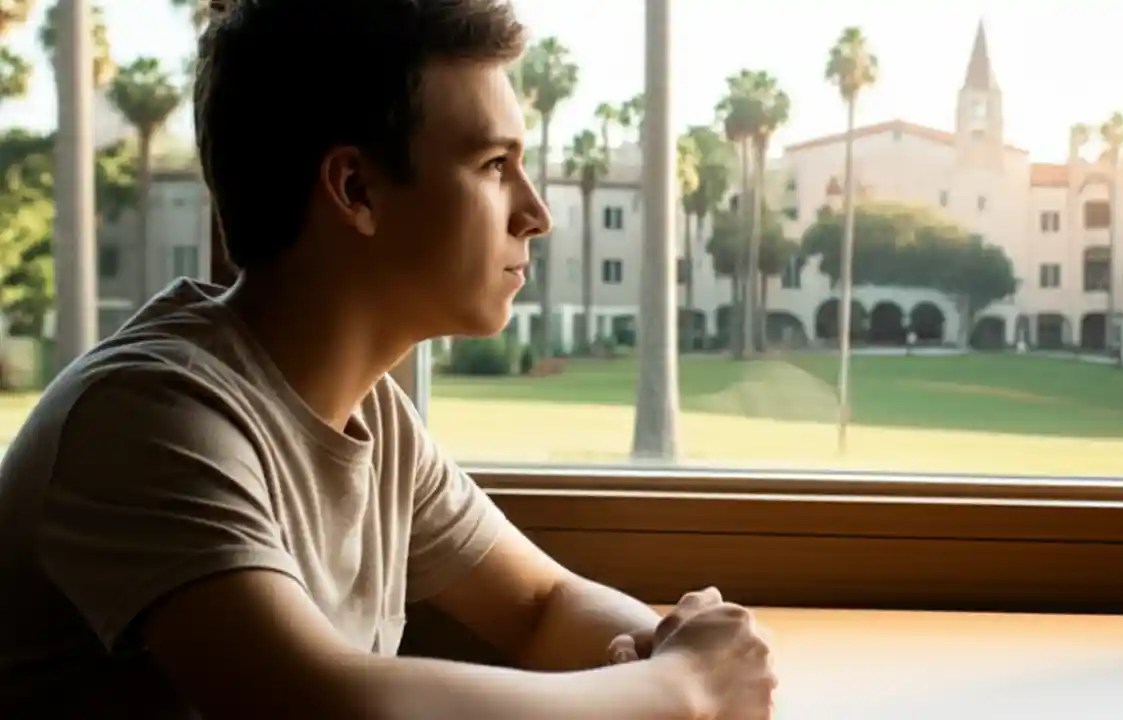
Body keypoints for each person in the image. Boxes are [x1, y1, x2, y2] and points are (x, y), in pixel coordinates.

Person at [0, 0, 776, 717]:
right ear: (355, 189)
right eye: (494, 166)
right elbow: (326, 705)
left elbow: (539, 605)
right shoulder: (151, 417)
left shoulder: (371, 416)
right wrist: (683, 686)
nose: (535, 215)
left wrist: (671, 650)